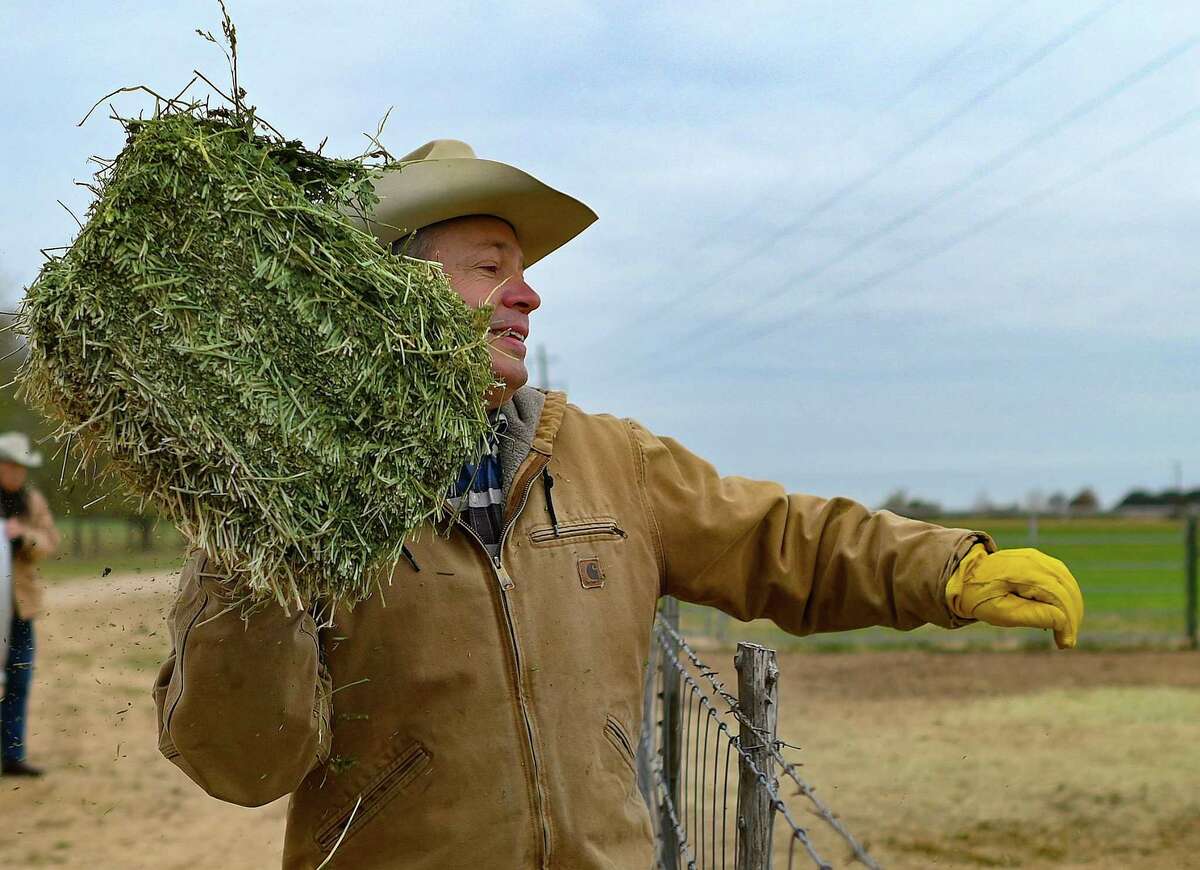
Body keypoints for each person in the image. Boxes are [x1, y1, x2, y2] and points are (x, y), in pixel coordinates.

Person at [154, 140, 1083, 869]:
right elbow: (239, 763)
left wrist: (947, 568)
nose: (528, 295)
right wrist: (263, 540)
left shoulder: (607, 459)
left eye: (519, 269)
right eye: (489, 268)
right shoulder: (289, 502)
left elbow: (775, 539)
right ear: (391, 292)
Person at [0, 431, 60, 777]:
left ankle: (12, 754)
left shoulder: (31, 502)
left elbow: (49, 541)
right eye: (13, 466)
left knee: (18, 679)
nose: (18, 473)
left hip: (21, 608)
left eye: (22, 467)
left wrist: (23, 537)